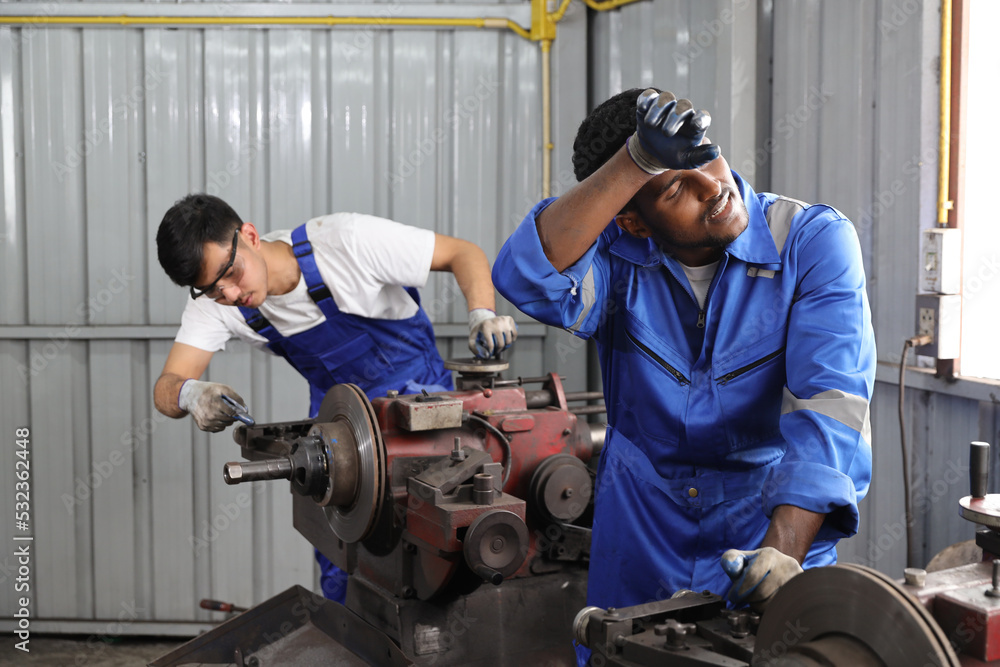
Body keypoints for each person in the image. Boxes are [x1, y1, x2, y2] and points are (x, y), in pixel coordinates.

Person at [492, 88, 875, 664]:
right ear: (633, 222)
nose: (712, 185)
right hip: (642, 531)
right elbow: (526, 277)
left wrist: (783, 551)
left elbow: (830, 403)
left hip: (771, 518)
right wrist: (634, 162)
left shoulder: (810, 242)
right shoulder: (615, 259)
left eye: (706, 156)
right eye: (675, 186)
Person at [153, 193, 518, 603]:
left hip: (423, 406)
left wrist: (481, 312)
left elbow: (462, 253)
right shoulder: (216, 302)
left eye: (232, 275)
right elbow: (165, 388)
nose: (232, 295)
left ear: (250, 235)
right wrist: (190, 393)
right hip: (339, 423)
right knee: (338, 548)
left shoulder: (346, 241)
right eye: (213, 291)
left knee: (429, 541)